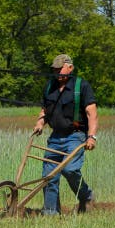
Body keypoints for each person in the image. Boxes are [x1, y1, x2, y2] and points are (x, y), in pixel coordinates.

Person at [32, 54, 98, 215]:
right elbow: (45, 110)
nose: (57, 73)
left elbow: (91, 113)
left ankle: (86, 196)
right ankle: (50, 213)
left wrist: (91, 136)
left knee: (70, 170)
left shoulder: (81, 86)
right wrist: (40, 123)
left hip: (75, 136)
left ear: (70, 67)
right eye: (54, 70)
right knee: (49, 175)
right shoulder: (50, 86)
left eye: (59, 69)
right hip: (55, 137)